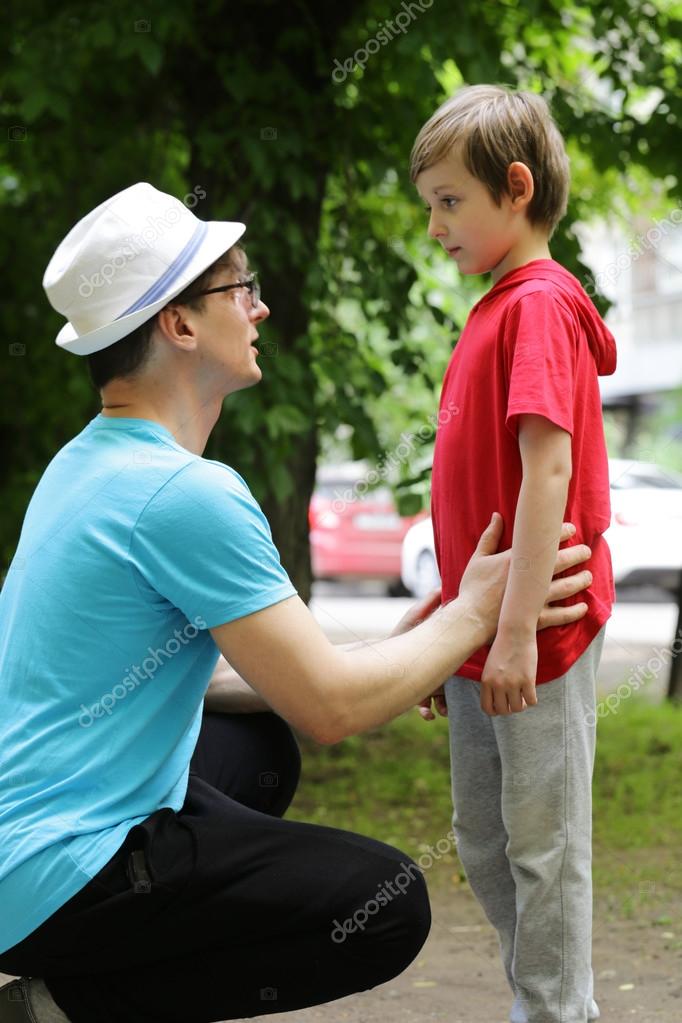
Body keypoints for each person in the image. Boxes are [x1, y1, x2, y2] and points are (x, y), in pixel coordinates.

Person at [0, 183, 594, 1023]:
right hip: (51, 878)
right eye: (240, 288)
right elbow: (331, 708)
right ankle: (56, 1004)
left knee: (256, 745)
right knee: (385, 903)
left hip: (15, 848)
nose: (261, 307)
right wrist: (474, 611)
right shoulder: (182, 493)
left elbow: (276, 681)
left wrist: (403, 646)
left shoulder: (85, 465)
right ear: (179, 323)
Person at [411, 85, 617, 1023]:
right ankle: (544, 1001)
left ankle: (555, 1012)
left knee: (544, 842)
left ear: (517, 188)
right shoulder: (492, 309)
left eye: (450, 201)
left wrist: (519, 631)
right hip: (479, 632)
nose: (435, 226)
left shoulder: (537, 305)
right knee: (485, 841)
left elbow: (547, 472)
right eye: (430, 206)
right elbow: (469, 489)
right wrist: (439, 625)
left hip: (539, 636)